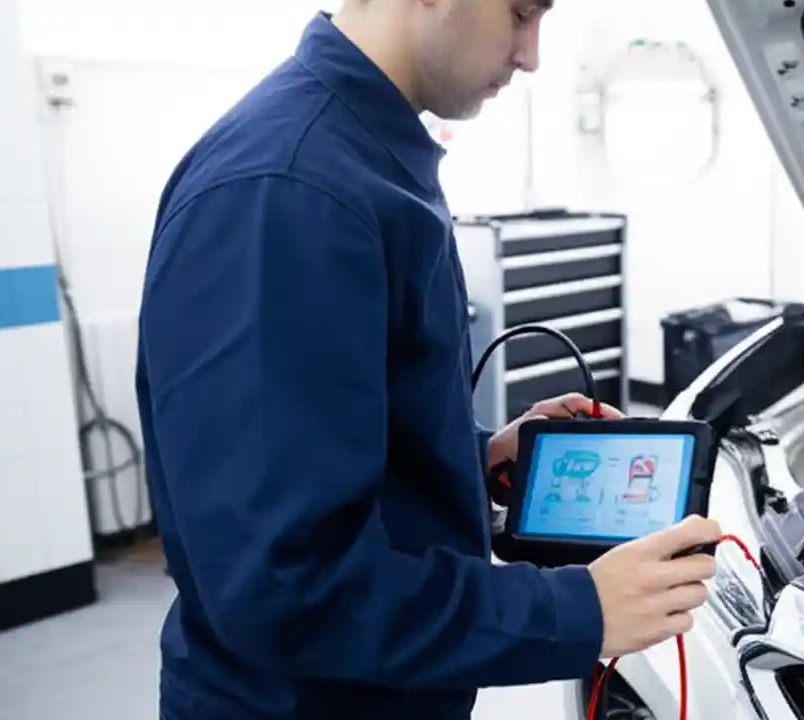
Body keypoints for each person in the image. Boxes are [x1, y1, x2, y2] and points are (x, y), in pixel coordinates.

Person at [134, 2, 722, 718]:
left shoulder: (366, 157)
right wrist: (576, 610)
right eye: (520, 13)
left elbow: (328, 434)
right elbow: (283, 584)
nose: (531, 54)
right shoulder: (287, 190)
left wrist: (472, 456)